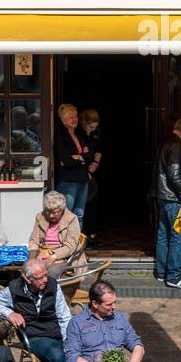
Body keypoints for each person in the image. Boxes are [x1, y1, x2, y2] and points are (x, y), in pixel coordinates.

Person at [0, 258, 72, 362]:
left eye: (46, 275)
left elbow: (64, 317)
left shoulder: (53, 286)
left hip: (56, 333)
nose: (45, 280)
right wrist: (9, 313)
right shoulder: (14, 289)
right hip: (35, 336)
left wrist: (69, 343)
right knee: (57, 356)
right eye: (40, 278)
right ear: (27, 279)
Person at [64, 280, 145, 362]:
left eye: (115, 302)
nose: (114, 307)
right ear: (95, 304)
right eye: (109, 304)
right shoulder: (77, 322)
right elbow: (71, 356)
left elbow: (137, 345)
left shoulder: (119, 318)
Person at [154, 119, 181, 292]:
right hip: (172, 197)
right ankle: (174, 276)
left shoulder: (165, 140)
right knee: (178, 236)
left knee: (164, 235)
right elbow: (174, 174)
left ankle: (162, 272)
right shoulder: (176, 145)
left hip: (162, 195)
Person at [27, 191, 83, 278]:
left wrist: (53, 256)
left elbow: (70, 246)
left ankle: (50, 291)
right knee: (27, 269)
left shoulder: (72, 219)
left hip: (62, 256)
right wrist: (33, 258)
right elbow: (34, 240)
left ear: (62, 209)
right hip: (41, 253)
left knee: (50, 272)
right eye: (48, 212)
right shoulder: (40, 216)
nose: (51, 216)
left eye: (55, 212)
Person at [54, 103, 91, 222]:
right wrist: (81, 158)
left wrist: (78, 157)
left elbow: (90, 155)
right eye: (71, 117)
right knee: (66, 215)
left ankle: (76, 241)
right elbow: (66, 160)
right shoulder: (60, 137)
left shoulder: (80, 135)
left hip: (83, 180)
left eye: (75, 116)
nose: (75, 119)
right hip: (68, 181)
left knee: (79, 215)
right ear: (63, 120)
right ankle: (66, 241)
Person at [79, 108, 103, 245]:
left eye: (95, 127)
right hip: (80, 172)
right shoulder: (78, 134)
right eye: (91, 126)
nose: (93, 129)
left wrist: (95, 162)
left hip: (92, 172)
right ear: (83, 122)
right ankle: (81, 237)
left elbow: (99, 149)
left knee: (93, 203)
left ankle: (91, 235)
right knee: (82, 207)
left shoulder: (95, 134)